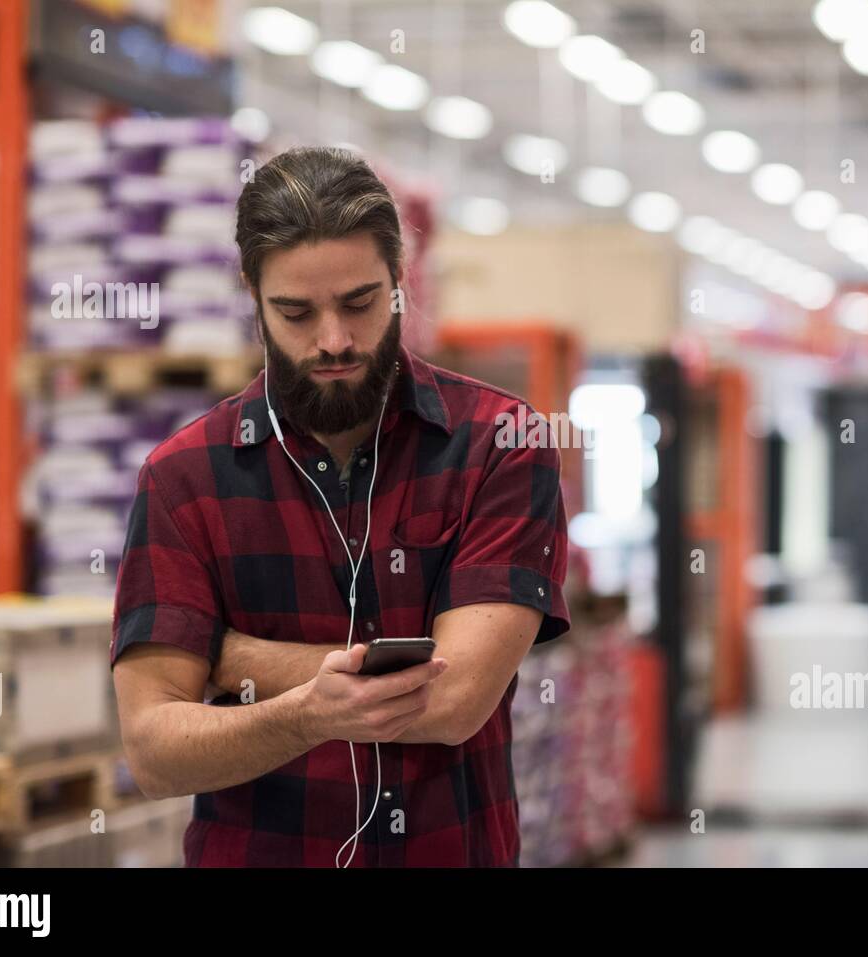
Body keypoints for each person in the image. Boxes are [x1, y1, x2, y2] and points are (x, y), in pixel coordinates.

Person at [111, 146, 570, 867]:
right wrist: (307, 713)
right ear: (252, 295)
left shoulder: (498, 445)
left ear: (400, 281)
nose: (333, 341)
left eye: (360, 303)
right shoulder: (184, 480)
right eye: (295, 312)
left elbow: (456, 700)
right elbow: (156, 753)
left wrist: (236, 660)